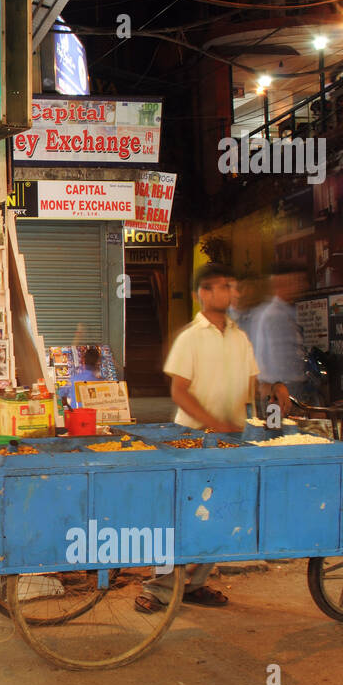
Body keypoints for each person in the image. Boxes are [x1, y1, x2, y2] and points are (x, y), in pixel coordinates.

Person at [136, 263, 258, 615]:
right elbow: (180, 392)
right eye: (221, 286)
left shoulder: (240, 337)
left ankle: (197, 582)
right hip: (192, 441)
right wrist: (212, 424)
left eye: (231, 285)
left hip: (233, 441)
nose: (230, 293)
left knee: (221, 512)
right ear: (203, 293)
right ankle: (158, 587)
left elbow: (251, 386)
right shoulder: (190, 337)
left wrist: (272, 390)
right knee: (181, 514)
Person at [252, 261, 309, 417]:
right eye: (293, 282)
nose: (299, 286)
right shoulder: (275, 315)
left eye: (300, 281)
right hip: (278, 394)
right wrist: (276, 391)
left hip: (290, 390)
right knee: (277, 437)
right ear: (279, 284)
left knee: (291, 437)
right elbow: (275, 360)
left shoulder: (289, 312)